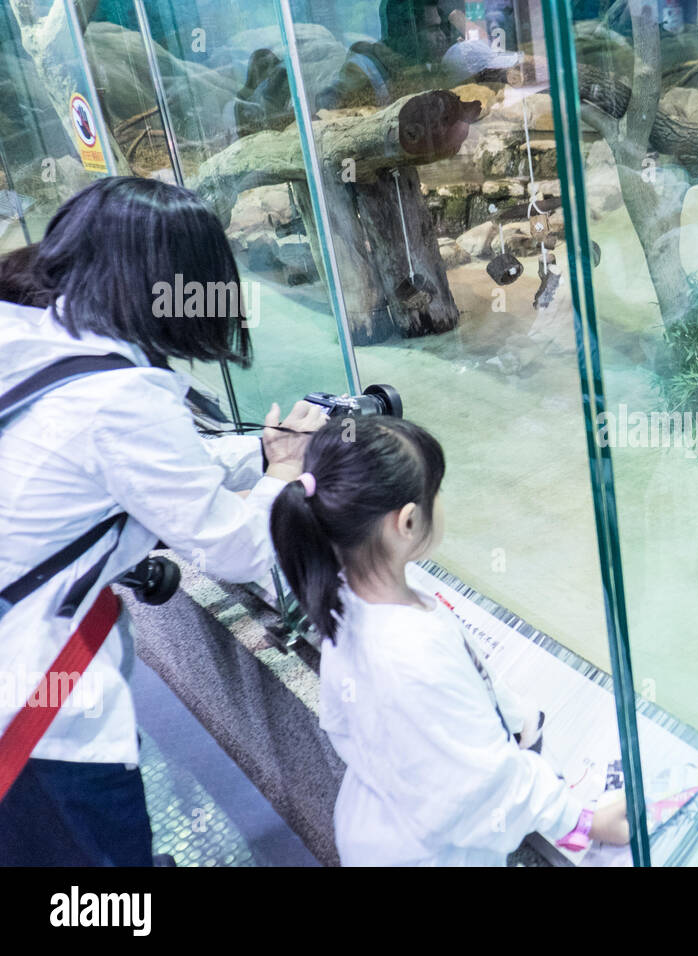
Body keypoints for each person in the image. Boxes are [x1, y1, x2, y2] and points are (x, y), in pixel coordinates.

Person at [0, 177, 327, 865]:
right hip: (32, 709)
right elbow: (235, 546)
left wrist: (262, 452)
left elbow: (134, 471)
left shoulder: (34, 334)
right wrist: (282, 477)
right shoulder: (120, 397)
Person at [269, 416, 630, 865]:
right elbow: (483, 789)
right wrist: (581, 821)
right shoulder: (408, 655)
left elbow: (345, 724)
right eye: (434, 491)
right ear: (407, 521)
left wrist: (510, 722)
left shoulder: (347, 602)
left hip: (377, 825)